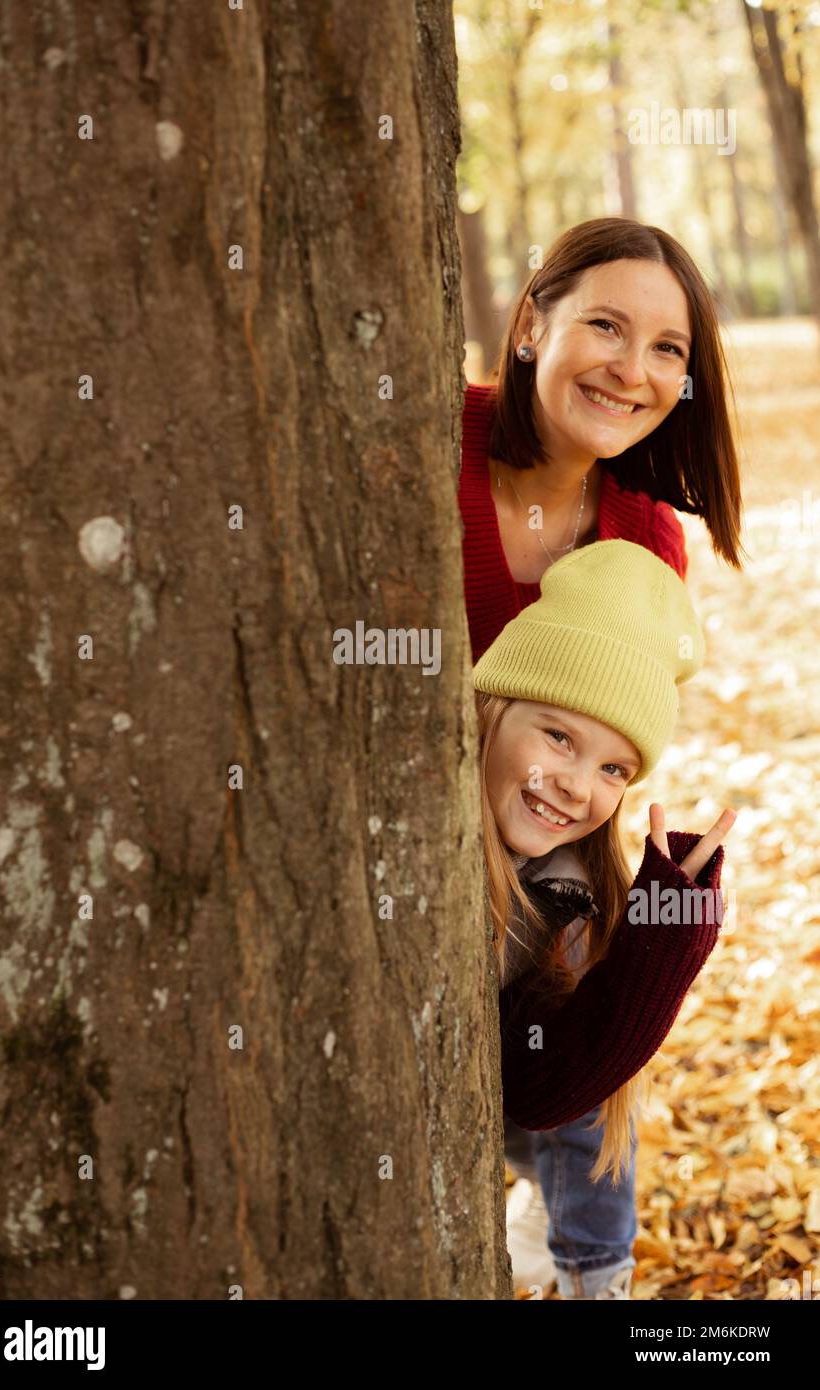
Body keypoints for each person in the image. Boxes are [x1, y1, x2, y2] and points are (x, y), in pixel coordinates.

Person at [471, 540, 737, 1298]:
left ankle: (596, 1270)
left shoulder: (569, 892)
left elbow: (547, 1093)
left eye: (614, 768)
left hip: (515, 1114)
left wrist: (663, 938)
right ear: (493, 705)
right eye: (558, 736)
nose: (576, 787)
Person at [460, 216, 744, 665]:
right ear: (530, 328)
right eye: (605, 326)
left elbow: (617, 732)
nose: (631, 373)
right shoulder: (432, 443)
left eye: (667, 349)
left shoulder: (648, 543)